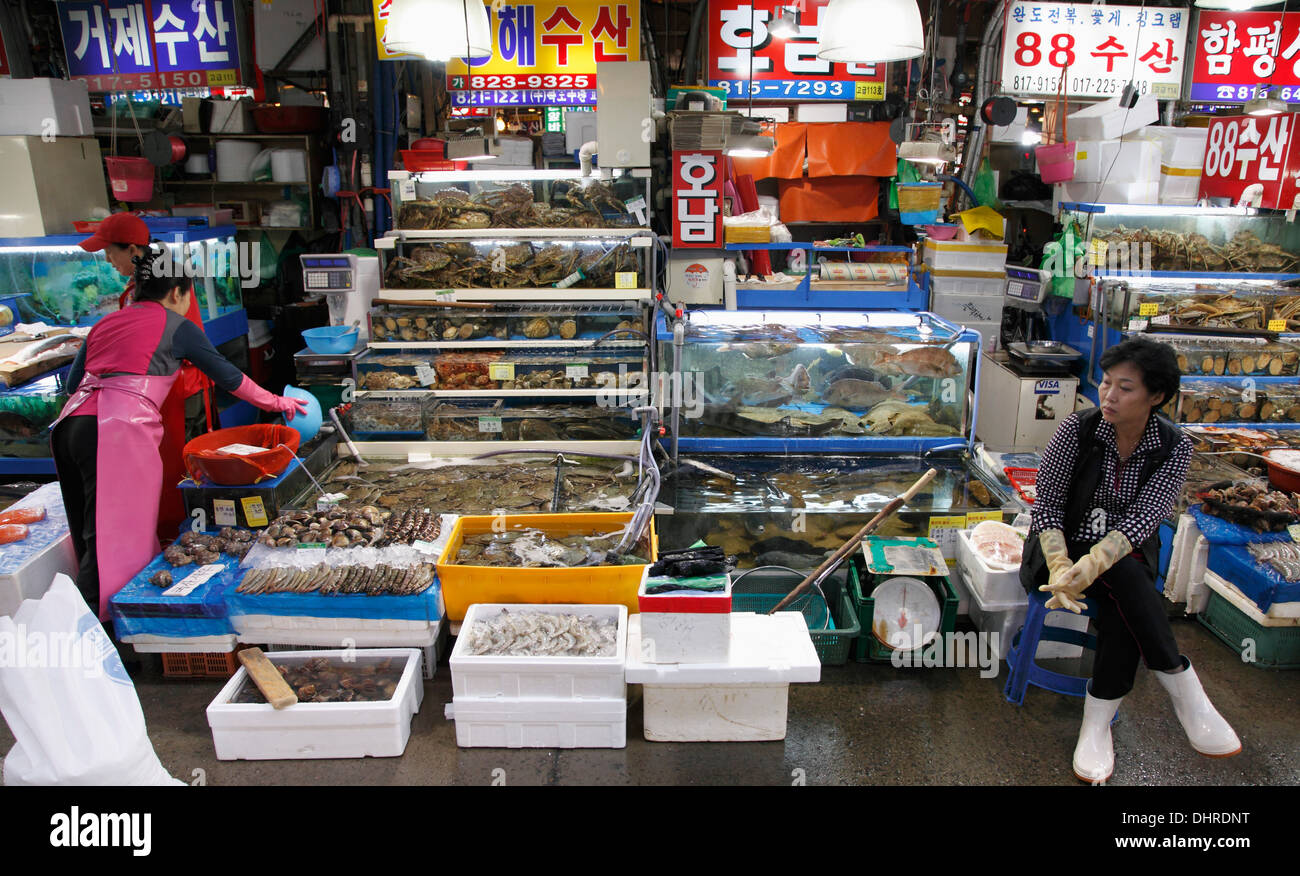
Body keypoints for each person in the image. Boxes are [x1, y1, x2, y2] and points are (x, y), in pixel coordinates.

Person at [1020, 336, 1240, 784]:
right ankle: (1178, 685)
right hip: (1058, 550)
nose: (1109, 396)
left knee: (1123, 585)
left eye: (1126, 388)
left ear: (1156, 396)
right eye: (1105, 384)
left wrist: (1097, 561)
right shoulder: (1077, 430)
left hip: (1123, 554)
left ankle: (1097, 727)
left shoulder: (1174, 445)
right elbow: (1047, 506)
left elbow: (1147, 516)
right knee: (1131, 593)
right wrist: (1063, 565)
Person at [50, 249, 307, 620]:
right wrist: (277, 402)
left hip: (72, 423)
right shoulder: (176, 325)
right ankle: (105, 625)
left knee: (89, 526)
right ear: (176, 292)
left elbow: (74, 383)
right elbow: (228, 376)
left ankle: (84, 616)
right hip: (116, 429)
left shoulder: (106, 323)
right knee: (119, 532)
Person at [78, 213, 214, 545]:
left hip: (178, 388)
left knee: (178, 468)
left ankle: (184, 533)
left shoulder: (166, 283)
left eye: (111, 252)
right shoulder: (147, 280)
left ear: (134, 250)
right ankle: (169, 533)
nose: (108, 260)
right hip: (159, 388)